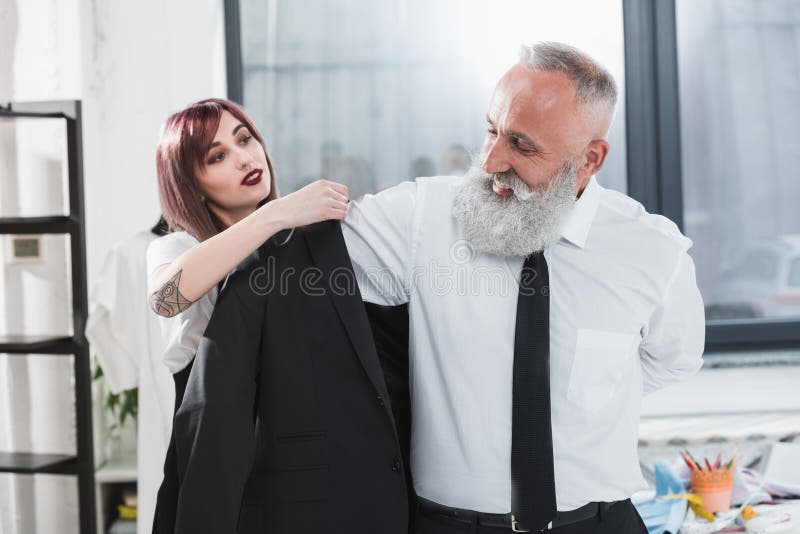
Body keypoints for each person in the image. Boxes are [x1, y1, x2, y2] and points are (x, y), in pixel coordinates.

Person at [341, 42, 705, 533]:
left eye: (521, 145)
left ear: (590, 159)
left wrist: (584, 400)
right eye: (491, 130)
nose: (490, 161)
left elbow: (670, 361)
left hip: (598, 523)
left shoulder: (653, 251)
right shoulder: (422, 218)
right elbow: (293, 254)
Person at [146, 98, 412, 533]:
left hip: (297, 479)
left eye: (245, 139)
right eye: (217, 157)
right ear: (191, 184)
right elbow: (166, 297)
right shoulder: (177, 248)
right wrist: (276, 214)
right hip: (215, 471)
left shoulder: (297, 244)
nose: (244, 158)